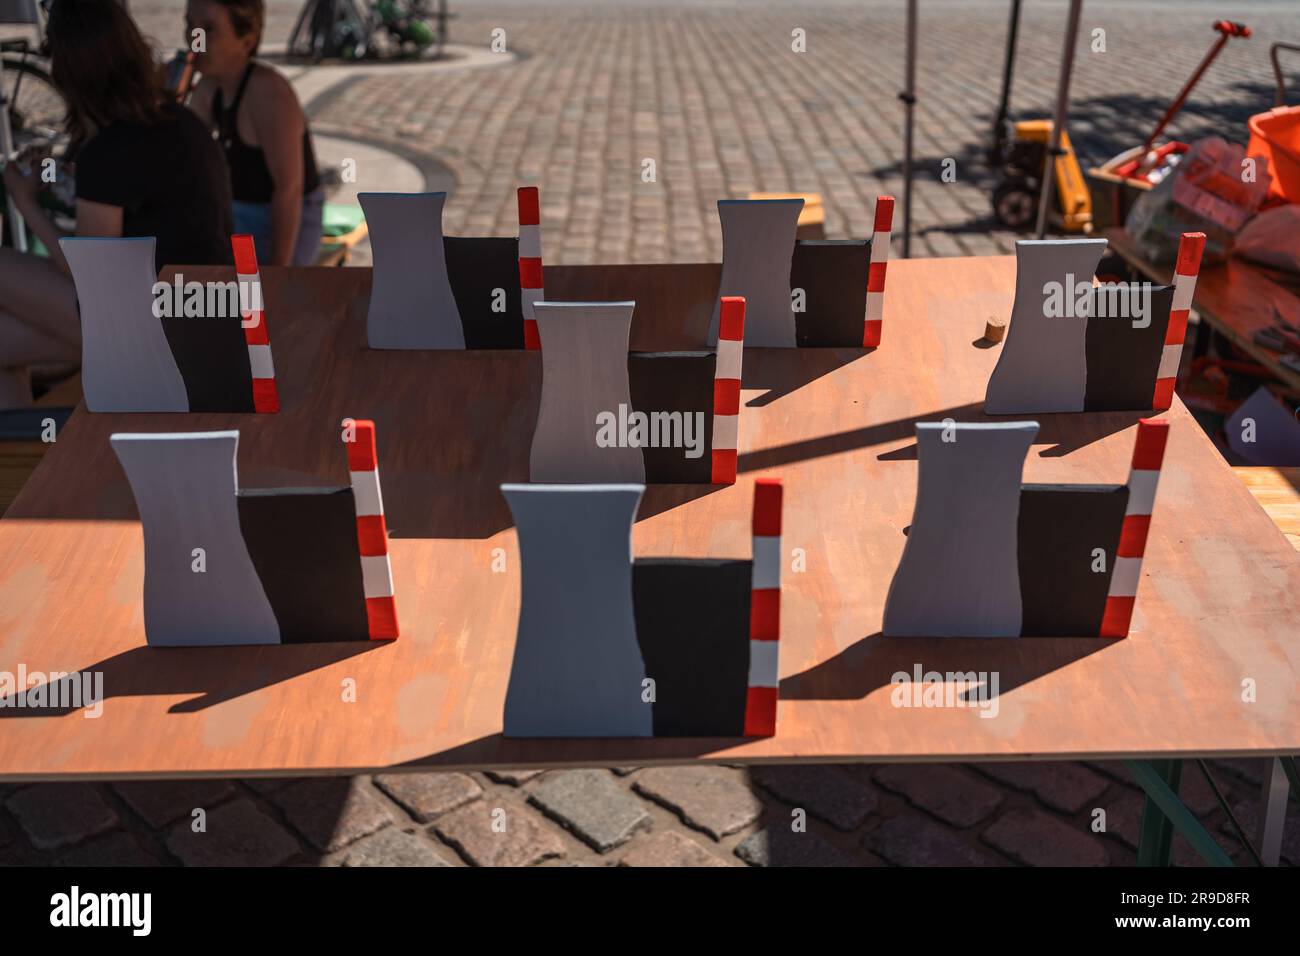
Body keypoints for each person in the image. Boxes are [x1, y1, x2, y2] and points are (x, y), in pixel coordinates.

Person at [0, 0, 234, 408]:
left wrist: (26, 203)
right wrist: (66, 178)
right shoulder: (175, 123)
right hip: (205, 319)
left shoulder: (110, 149)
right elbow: (140, 202)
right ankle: (24, 464)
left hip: (158, 335)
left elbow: (90, 277)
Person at [185, 0, 323, 267]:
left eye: (208, 30)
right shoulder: (209, 85)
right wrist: (168, 97)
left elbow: (289, 190)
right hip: (238, 216)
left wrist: (277, 275)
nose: (195, 41)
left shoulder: (268, 92)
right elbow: (184, 160)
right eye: (190, 26)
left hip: (282, 222)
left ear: (246, 41)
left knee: (247, 304)